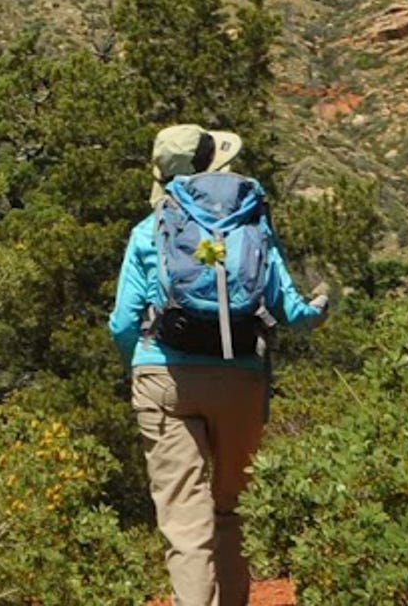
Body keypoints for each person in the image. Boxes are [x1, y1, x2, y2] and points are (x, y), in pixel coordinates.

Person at [107, 124, 325, 606]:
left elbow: (122, 321)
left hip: (164, 376)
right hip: (240, 375)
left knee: (184, 519)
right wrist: (320, 310)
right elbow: (291, 311)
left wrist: (139, 365)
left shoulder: (148, 231)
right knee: (232, 506)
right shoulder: (252, 225)